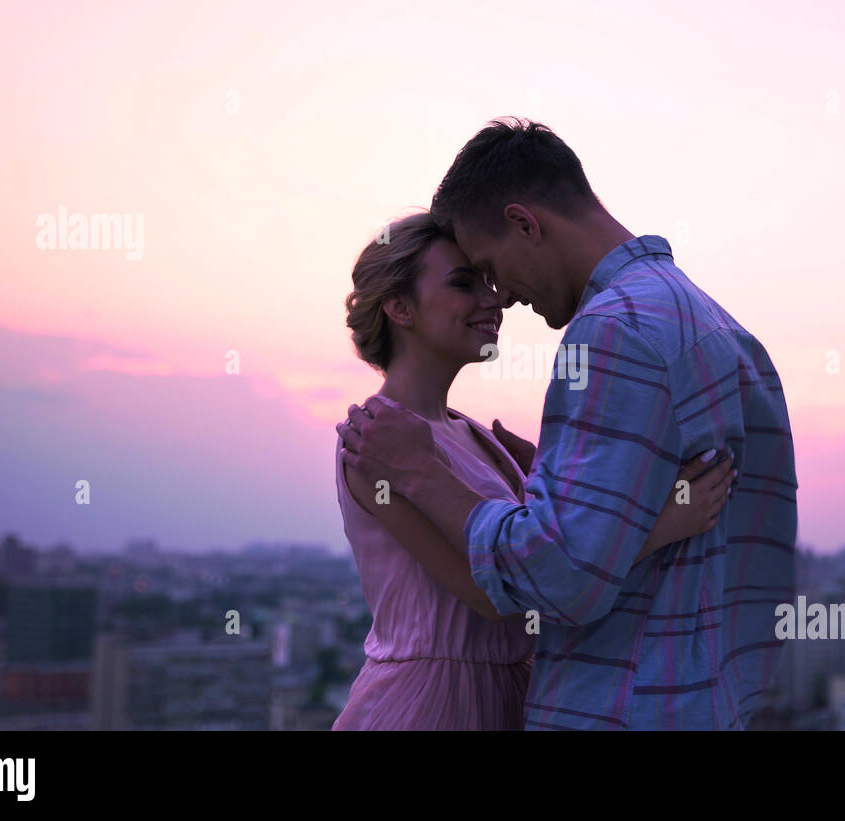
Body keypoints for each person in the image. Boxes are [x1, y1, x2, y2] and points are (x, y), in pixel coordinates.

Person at [339, 118, 798, 730]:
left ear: (525, 223)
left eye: (488, 268)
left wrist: (435, 472)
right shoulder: (713, 322)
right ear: (401, 310)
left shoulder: (613, 332)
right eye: (466, 281)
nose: (497, 296)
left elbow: (555, 574)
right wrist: (642, 520)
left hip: (617, 703)